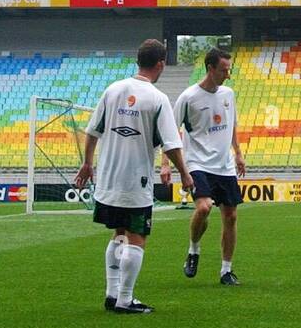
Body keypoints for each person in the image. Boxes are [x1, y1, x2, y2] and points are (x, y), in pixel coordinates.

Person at [77, 38, 190, 314]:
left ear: (138, 60)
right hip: (136, 179)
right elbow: (171, 144)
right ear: (161, 64)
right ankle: (125, 299)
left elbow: (92, 131)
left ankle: (111, 293)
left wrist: (87, 164)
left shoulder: (113, 89)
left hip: (108, 176)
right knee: (137, 236)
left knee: (118, 236)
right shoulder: (157, 98)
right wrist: (185, 174)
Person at [168, 47, 247, 285]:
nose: (228, 74)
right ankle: (193, 250)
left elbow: (231, 124)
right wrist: (165, 165)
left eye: (229, 69)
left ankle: (226, 270)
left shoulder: (228, 94)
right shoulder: (188, 97)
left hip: (224, 165)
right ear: (210, 68)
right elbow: (171, 131)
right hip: (197, 162)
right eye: (224, 70)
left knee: (231, 217)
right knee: (203, 208)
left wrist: (238, 153)